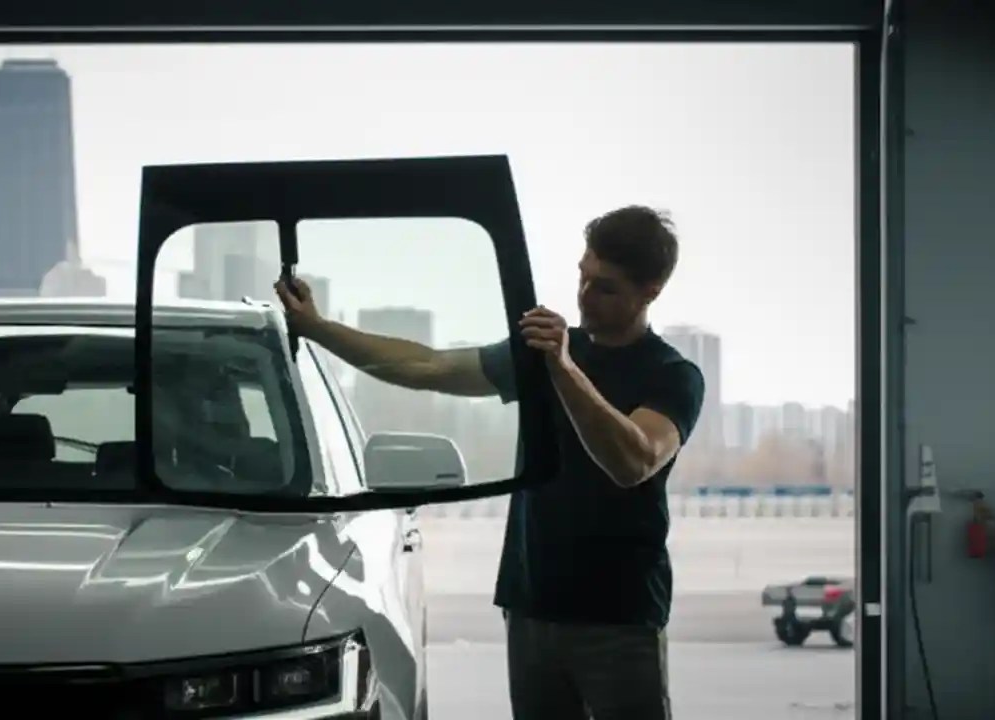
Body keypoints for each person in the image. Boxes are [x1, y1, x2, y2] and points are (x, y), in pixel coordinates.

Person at [274, 205, 704, 720]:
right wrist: (319, 329)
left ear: (650, 291)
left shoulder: (672, 375)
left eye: (605, 287)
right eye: (582, 277)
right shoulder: (543, 350)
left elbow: (633, 460)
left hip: (620, 617)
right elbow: (428, 366)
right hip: (531, 606)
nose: (584, 296)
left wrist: (563, 367)